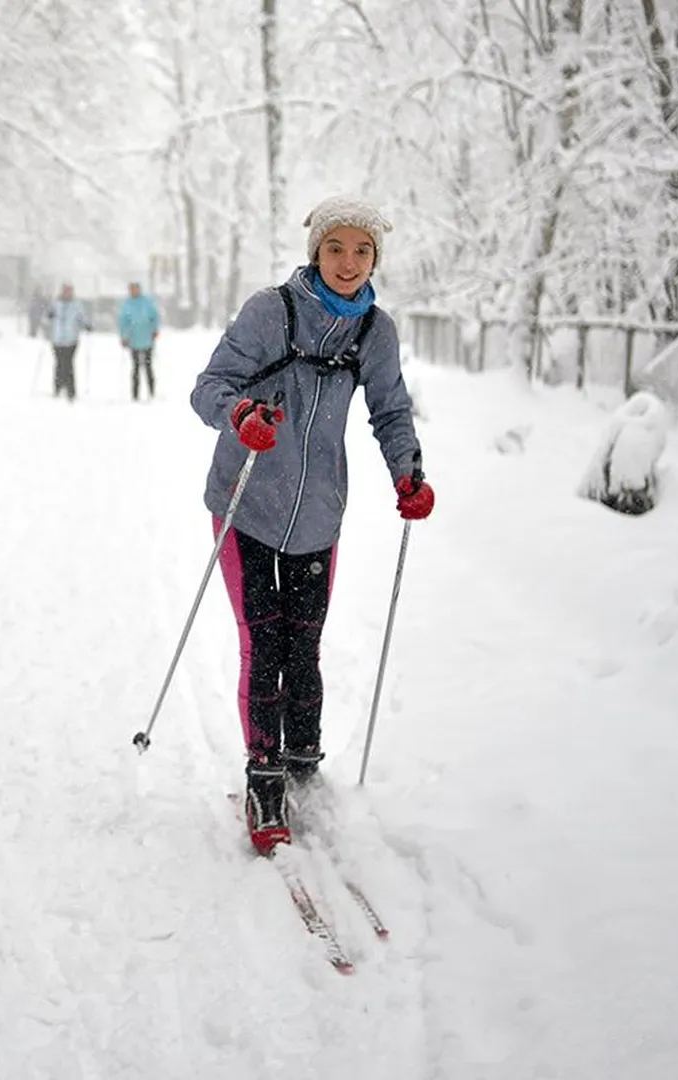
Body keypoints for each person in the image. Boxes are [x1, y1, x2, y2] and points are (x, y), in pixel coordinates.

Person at [188, 196, 434, 855]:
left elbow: (390, 410)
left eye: (362, 251)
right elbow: (208, 386)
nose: (348, 262)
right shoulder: (273, 311)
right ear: (315, 253)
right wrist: (241, 414)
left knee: (304, 643)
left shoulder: (374, 333)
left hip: (320, 511)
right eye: (336, 248)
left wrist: (407, 472)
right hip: (246, 503)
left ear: (375, 258)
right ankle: (264, 774)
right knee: (262, 642)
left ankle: (303, 757)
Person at [117, 281, 161, 401]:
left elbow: (155, 317)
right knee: (135, 368)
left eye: (135, 289)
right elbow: (123, 322)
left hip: (147, 339)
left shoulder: (147, 303)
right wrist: (123, 336)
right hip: (134, 341)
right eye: (132, 289)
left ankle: (152, 392)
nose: (134, 291)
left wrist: (155, 329)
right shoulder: (127, 304)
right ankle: (135, 394)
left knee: (148, 367)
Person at [46, 283, 89, 399]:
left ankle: (71, 390)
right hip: (57, 339)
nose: (67, 293)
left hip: (71, 339)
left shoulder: (76, 305)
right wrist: (49, 316)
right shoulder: (56, 304)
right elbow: (47, 318)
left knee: (69, 364)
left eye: (69, 291)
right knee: (59, 364)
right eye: (65, 291)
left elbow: (83, 317)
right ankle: (58, 387)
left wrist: (86, 325)